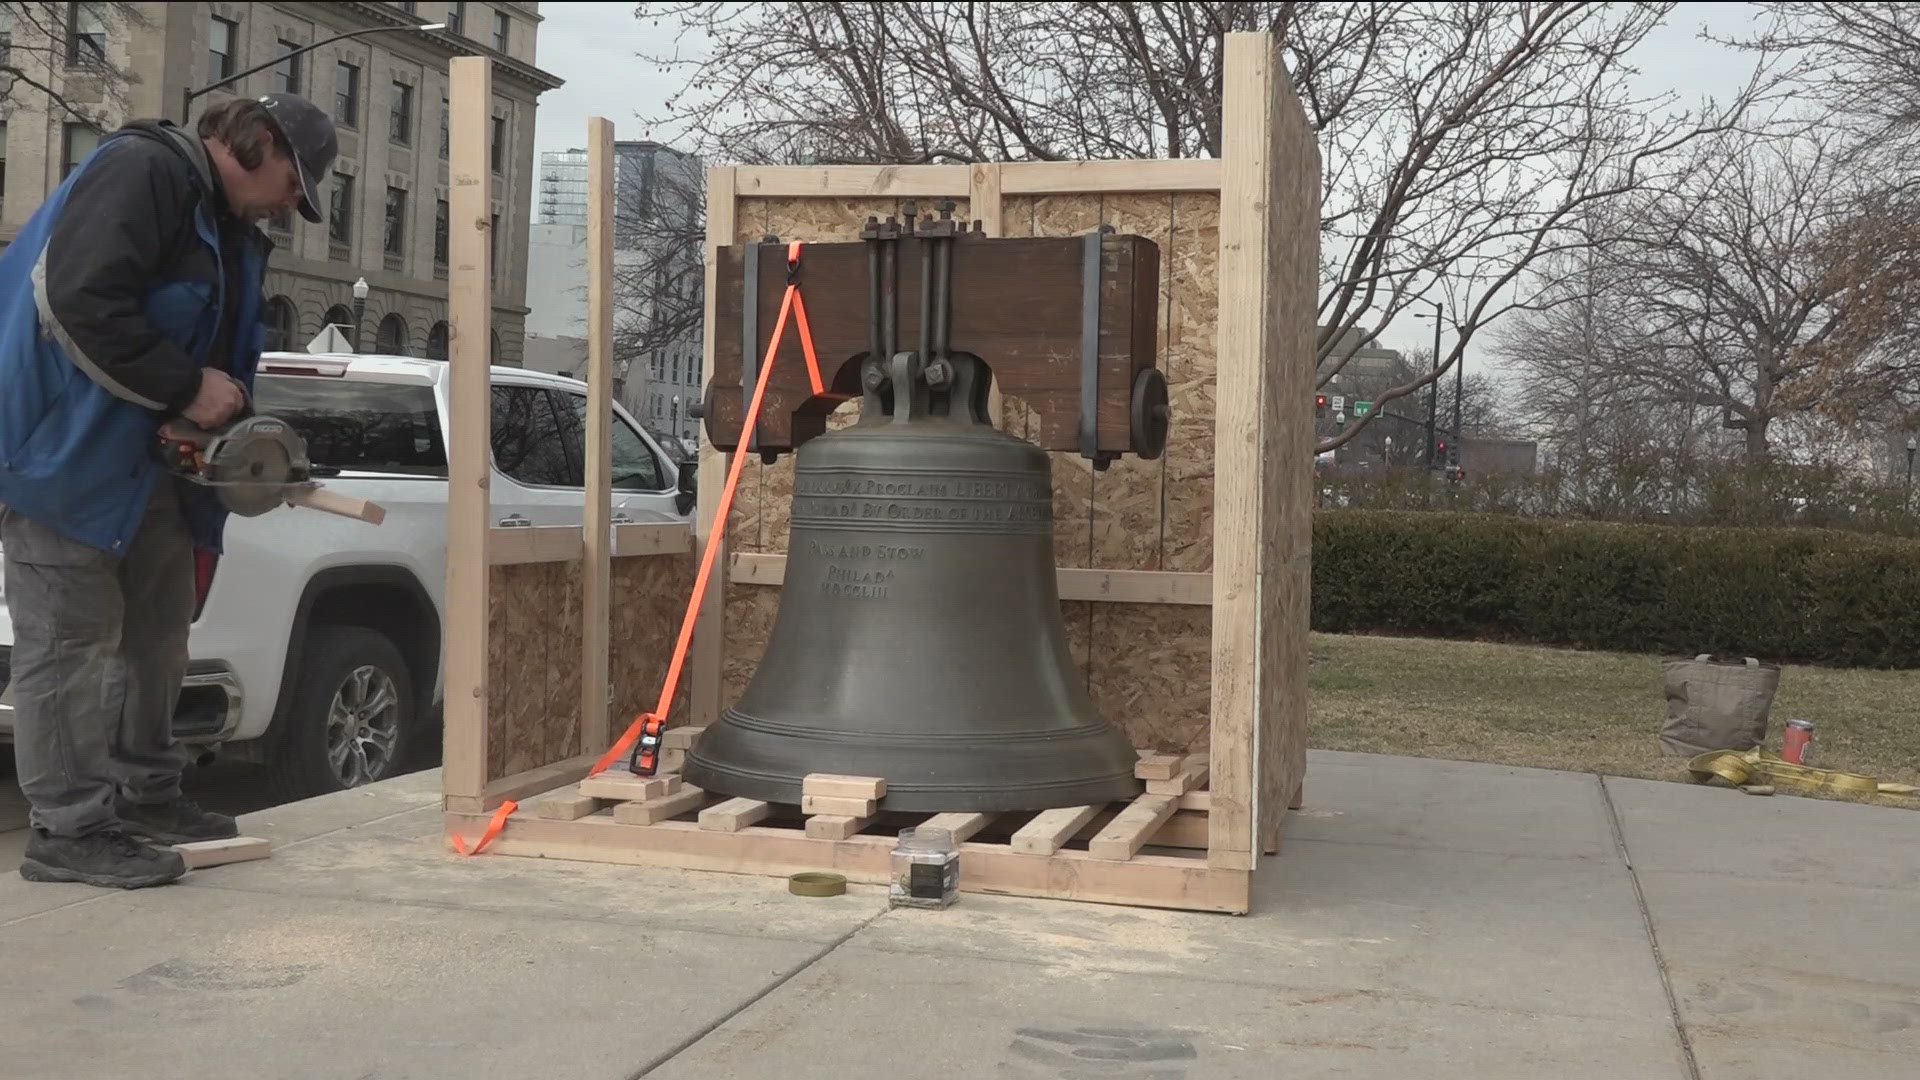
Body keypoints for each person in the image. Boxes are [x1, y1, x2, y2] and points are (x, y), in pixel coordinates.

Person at [0, 94, 337, 889]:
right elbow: (78, 302)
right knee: (69, 644)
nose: (296, 203)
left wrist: (220, 426)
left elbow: (215, 352)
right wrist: (185, 387)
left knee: (157, 633)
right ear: (256, 144)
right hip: (64, 457)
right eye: (296, 182)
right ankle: (69, 830)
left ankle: (145, 792)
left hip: (146, 461)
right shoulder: (142, 171)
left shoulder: (223, 224)